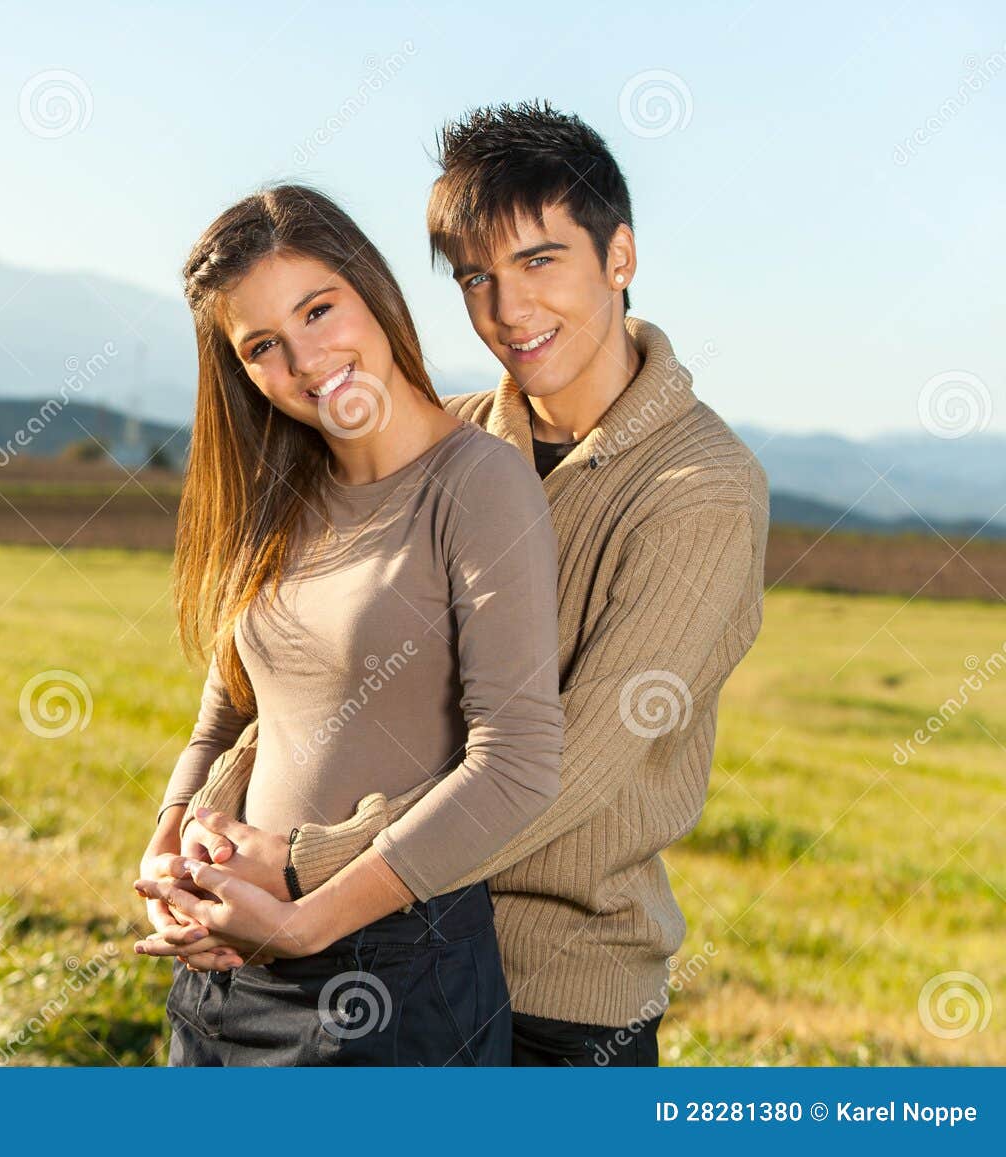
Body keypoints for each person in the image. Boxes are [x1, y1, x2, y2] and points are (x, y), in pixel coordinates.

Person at [142, 102, 769, 1068]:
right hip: (367, 942)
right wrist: (201, 839)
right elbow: (303, 686)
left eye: (540, 261)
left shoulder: (701, 490)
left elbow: (565, 766)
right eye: (477, 276)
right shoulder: (443, 432)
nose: (509, 309)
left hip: (553, 994)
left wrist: (303, 865)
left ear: (620, 256)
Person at [133, 183, 565, 1065]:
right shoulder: (277, 498)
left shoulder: (480, 484)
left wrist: (302, 920)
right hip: (226, 967)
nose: (306, 360)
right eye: (263, 346)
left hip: (391, 975)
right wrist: (168, 854)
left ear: (372, 289)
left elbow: (517, 764)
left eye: (318, 309)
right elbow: (224, 719)